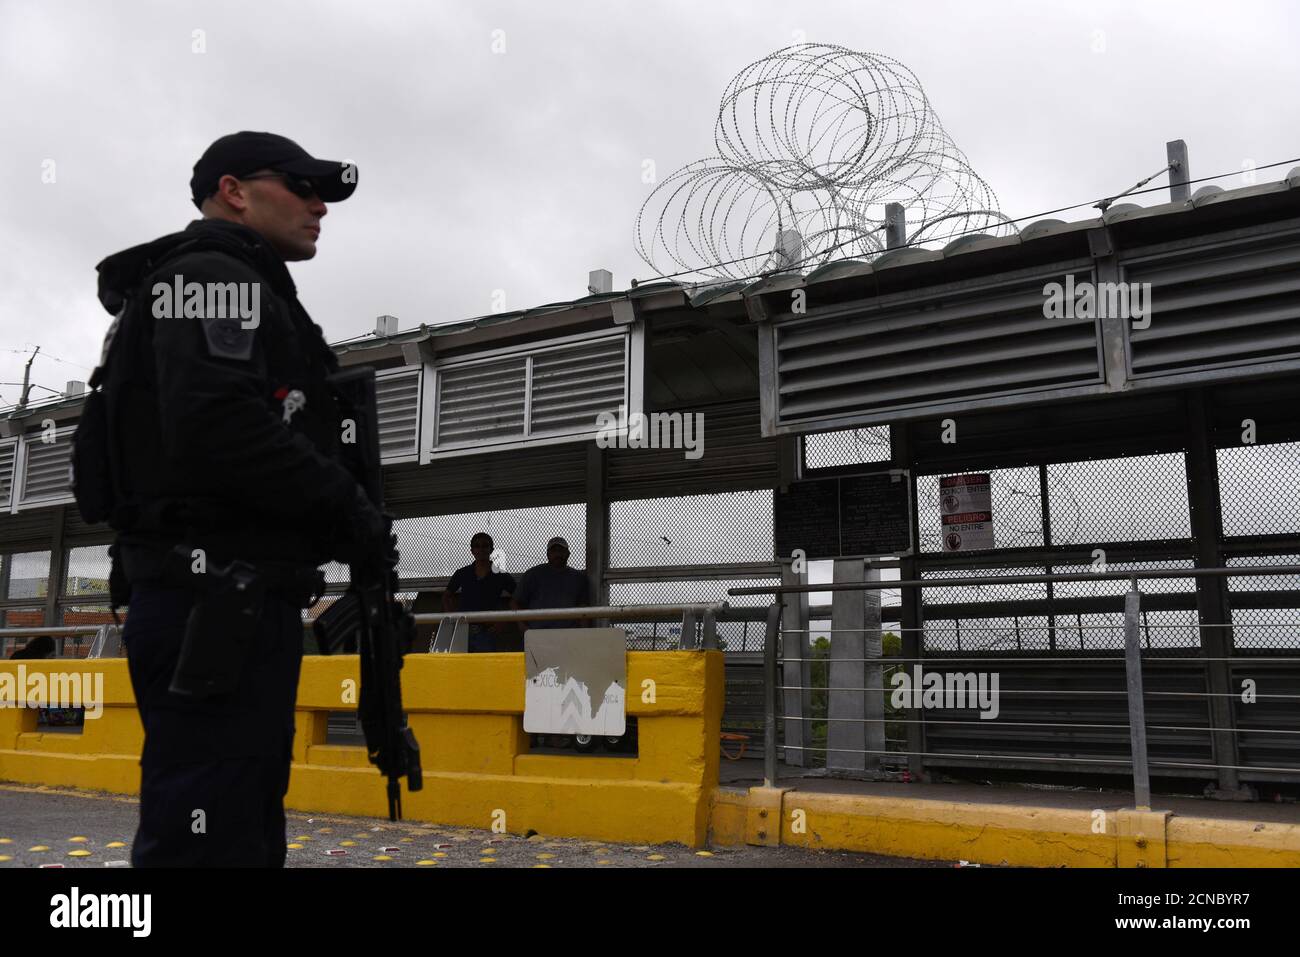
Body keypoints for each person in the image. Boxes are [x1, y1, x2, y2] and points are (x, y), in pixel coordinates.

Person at [86, 131, 385, 867]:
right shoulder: (217, 275)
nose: (320, 205)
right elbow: (219, 421)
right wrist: (350, 508)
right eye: (300, 186)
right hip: (215, 599)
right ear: (234, 189)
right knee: (210, 832)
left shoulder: (227, 281)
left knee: (234, 825)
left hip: (225, 596)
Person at [443, 532, 516, 652]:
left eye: (485, 546)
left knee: (485, 668)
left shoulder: (501, 575)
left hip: (486, 633)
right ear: (472, 550)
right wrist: (452, 620)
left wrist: (503, 621)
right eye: (477, 546)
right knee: (460, 667)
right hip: (462, 631)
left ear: (491, 549)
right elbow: (446, 596)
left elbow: (518, 597)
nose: (481, 549)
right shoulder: (462, 573)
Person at [511, 536, 590, 630]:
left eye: (561, 551)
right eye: (554, 551)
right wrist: (522, 626)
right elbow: (514, 602)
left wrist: (584, 631)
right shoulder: (533, 574)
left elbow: (583, 607)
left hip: (569, 633)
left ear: (568, 553)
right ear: (547, 554)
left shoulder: (578, 578)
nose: (558, 554)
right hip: (538, 632)